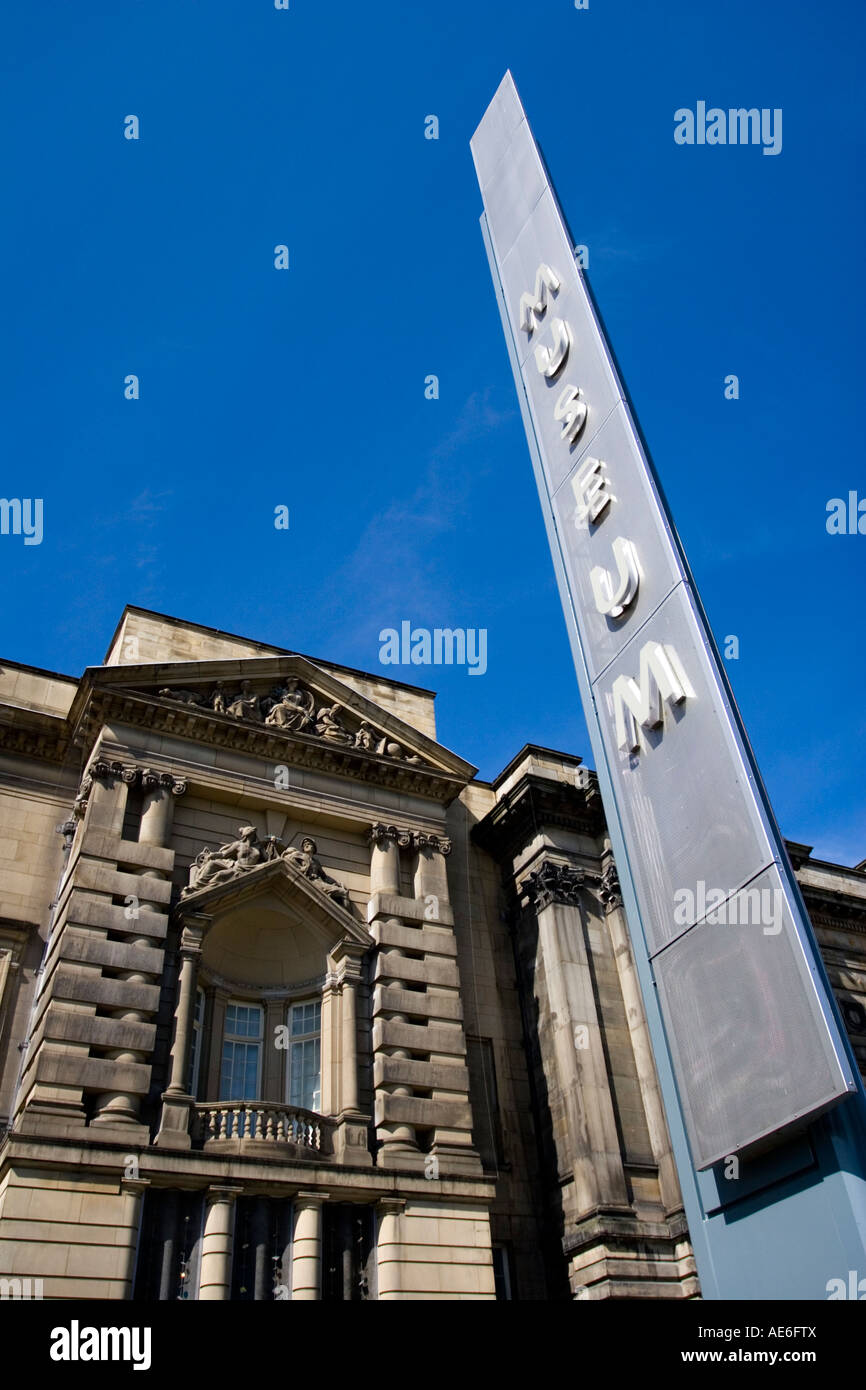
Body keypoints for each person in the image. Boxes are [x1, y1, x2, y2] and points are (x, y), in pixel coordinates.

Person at [184, 826, 263, 894]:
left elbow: (269, 857)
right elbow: (224, 854)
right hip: (237, 867)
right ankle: (195, 887)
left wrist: (273, 842)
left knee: (220, 875)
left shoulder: (258, 848)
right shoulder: (238, 844)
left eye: (254, 834)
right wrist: (213, 855)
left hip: (251, 868)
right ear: (247, 835)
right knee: (212, 864)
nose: (254, 836)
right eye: (252, 834)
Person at [283, 836, 352, 911]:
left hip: (318, 882)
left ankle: (346, 915)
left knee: (343, 892)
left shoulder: (316, 862)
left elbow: (324, 876)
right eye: (304, 845)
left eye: (309, 844)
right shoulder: (299, 854)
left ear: (313, 848)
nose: (306, 845)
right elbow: (286, 858)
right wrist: (301, 869)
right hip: (310, 882)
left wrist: (338, 883)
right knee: (342, 893)